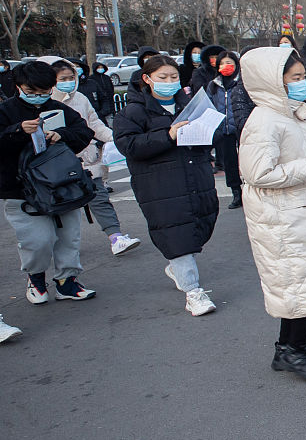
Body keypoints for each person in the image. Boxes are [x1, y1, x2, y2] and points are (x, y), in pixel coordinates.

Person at [238, 47, 306, 381]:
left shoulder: (292, 113)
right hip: (283, 218)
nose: (303, 83)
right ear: (273, 82)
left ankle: (291, 347)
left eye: (304, 76)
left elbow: (299, 158)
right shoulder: (265, 121)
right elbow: (260, 173)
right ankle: (293, 350)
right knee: (302, 287)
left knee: (305, 285)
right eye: (295, 78)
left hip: (301, 211)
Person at [114, 55, 219, 317]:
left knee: (200, 227)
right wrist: (168, 135)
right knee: (177, 237)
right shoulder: (133, 112)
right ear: (147, 79)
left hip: (196, 178)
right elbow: (130, 146)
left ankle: (177, 266)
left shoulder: (190, 107)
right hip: (160, 186)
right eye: (162, 78)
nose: (169, 82)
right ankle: (193, 292)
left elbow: (207, 139)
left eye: (173, 77)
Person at [0, 61, 97, 304]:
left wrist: (60, 135)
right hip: (20, 190)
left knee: (69, 237)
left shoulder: (58, 108)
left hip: (64, 185)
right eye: (32, 92)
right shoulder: (5, 111)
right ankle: (36, 278)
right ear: (18, 86)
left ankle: (67, 281)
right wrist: (17, 130)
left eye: (44, 92)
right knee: (37, 241)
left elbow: (84, 133)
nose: (39, 98)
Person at [48, 60, 141, 256]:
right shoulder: (46, 100)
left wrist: (113, 138)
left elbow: (94, 124)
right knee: (60, 205)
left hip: (87, 158)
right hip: (56, 163)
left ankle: (116, 237)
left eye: (71, 78)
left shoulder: (80, 98)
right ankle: (58, 245)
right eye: (62, 79)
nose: (68, 82)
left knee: (99, 197)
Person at [206, 50, 245, 209]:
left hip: (242, 127)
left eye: (229, 62)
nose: (225, 66)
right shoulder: (214, 84)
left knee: (248, 160)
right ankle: (236, 193)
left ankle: (251, 190)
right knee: (229, 163)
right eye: (222, 63)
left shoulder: (242, 81)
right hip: (224, 130)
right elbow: (209, 105)